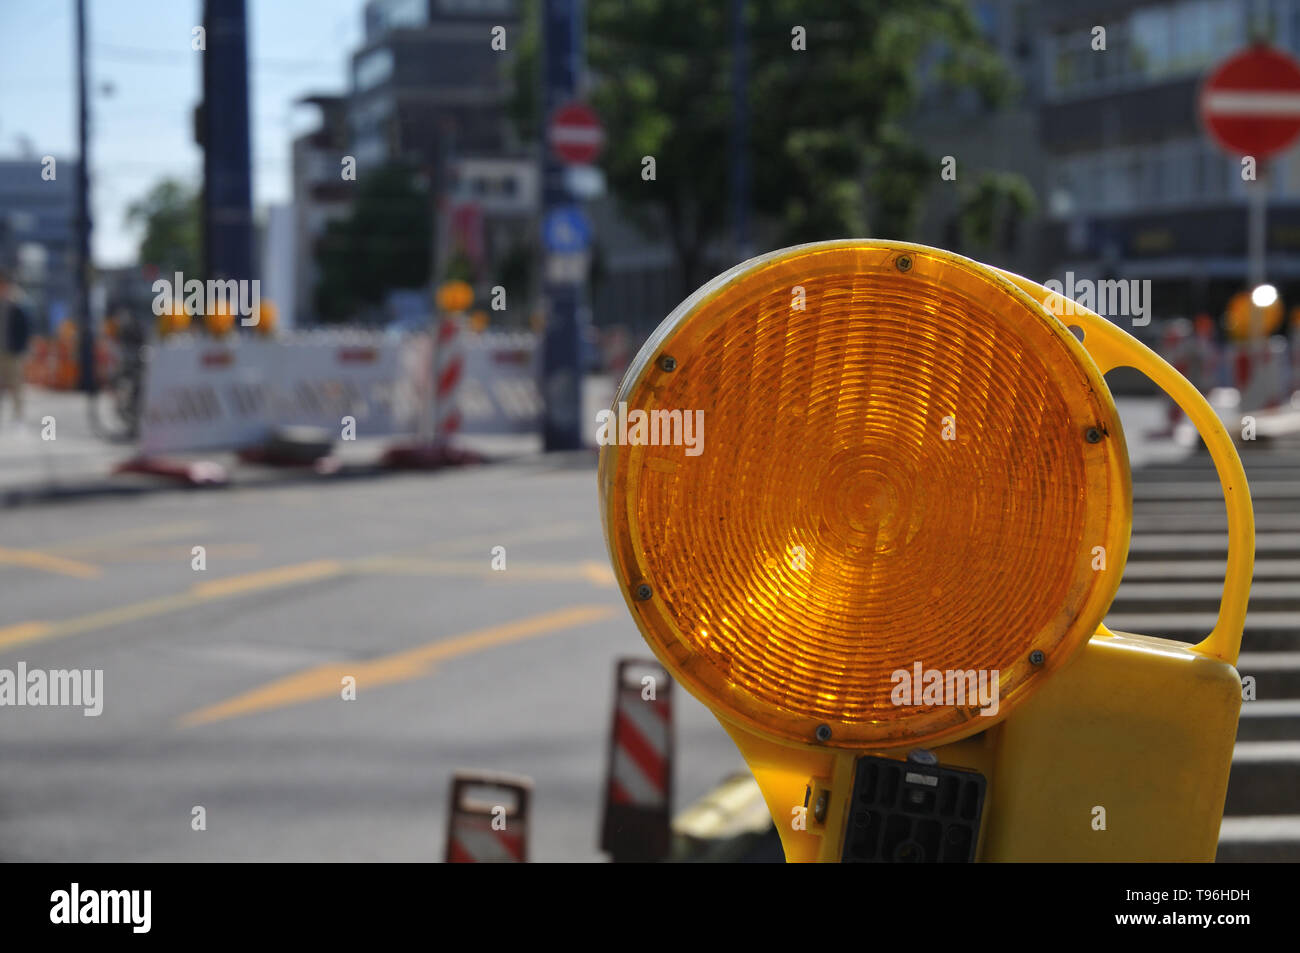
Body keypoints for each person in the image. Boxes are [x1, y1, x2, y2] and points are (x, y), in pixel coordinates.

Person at [0, 268, 32, 427]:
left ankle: (18, 417)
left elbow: (25, 328)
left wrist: (21, 348)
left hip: (13, 352)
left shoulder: (17, 302)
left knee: (16, 386)